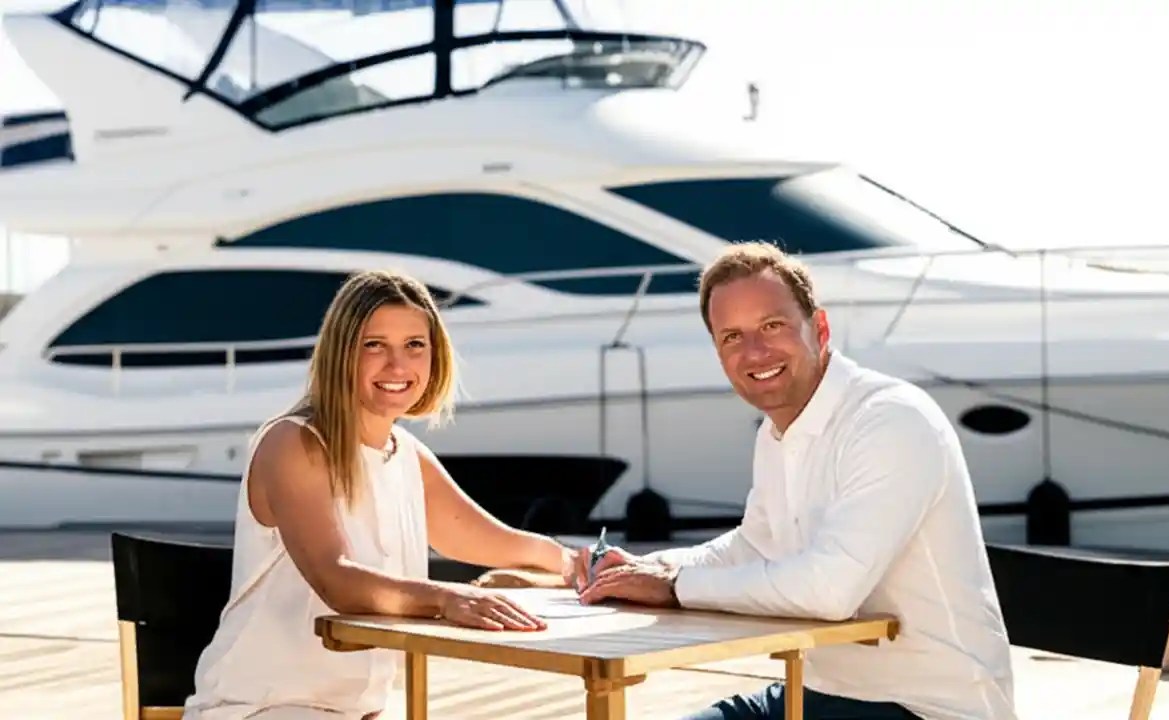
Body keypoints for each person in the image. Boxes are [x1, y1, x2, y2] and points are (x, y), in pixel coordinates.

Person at [578, 242, 1017, 720]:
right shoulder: (778, 432)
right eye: (732, 337)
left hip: (928, 708)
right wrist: (641, 570)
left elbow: (830, 591)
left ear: (820, 329)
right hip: (813, 696)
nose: (755, 351)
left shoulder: (891, 420)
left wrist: (677, 586)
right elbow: (754, 546)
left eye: (773, 326)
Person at [183, 269, 592, 720]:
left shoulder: (406, 455)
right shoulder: (293, 443)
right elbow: (335, 579)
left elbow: (488, 540)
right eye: (373, 345)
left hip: (359, 712)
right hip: (261, 708)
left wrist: (576, 562)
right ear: (340, 353)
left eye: (415, 345)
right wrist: (447, 598)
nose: (398, 366)